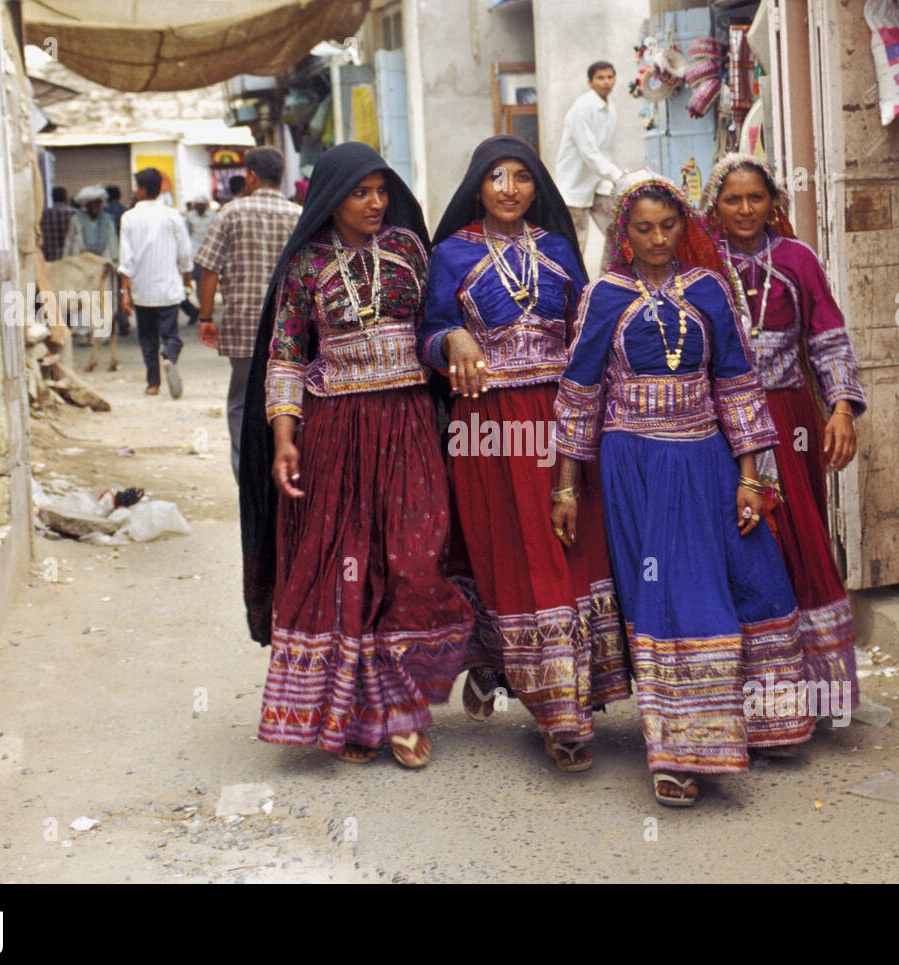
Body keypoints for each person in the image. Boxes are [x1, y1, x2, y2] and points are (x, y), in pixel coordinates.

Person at [552, 170, 814, 807]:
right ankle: (677, 752)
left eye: (669, 226)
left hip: (707, 457)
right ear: (624, 233)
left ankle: (758, 721)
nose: (659, 239)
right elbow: (579, 393)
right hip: (634, 465)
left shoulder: (710, 291)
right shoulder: (603, 296)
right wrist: (566, 487)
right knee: (669, 595)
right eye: (643, 229)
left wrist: (751, 476)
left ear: (685, 225)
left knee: (752, 572)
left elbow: (738, 385)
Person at [239, 142, 476, 768]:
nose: (374, 203)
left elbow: (433, 327)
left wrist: (451, 343)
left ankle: (400, 703)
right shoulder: (305, 268)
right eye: (359, 192)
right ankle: (363, 715)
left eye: (380, 190)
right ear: (330, 199)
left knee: (412, 559)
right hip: (334, 433)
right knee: (346, 567)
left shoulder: (408, 250)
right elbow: (286, 355)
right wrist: (285, 437)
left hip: (408, 424)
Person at [420, 135, 629, 771]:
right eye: (495, 177)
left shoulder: (562, 250)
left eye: (521, 178)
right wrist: (451, 337)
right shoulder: (450, 254)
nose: (508, 189)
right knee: (515, 553)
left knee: (568, 551)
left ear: (538, 187)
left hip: (562, 423)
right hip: (489, 429)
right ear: (477, 187)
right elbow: (423, 332)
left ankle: (564, 692)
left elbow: (591, 335)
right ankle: (556, 713)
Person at [700, 154, 864, 706]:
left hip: (789, 420)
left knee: (797, 537)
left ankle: (811, 692)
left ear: (774, 203)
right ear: (714, 209)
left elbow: (828, 339)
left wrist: (840, 409)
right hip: (719, 424)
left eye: (756, 198)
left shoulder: (798, 258)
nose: (745, 209)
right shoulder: (697, 262)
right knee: (737, 543)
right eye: (732, 199)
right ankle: (745, 694)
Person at [194, 146, 302, 481]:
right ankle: (287, 469)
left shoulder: (230, 213)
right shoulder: (298, 215)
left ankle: (247, 477)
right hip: (290, 331)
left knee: (242, 403)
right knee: (288, 401)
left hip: (243, 327)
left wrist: (206, 317)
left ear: (252, 176)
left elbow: (208, 269)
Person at [117, 167, 193, 398]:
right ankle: (169, 355)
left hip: (142, 290)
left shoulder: (129, 217)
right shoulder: (172, 216)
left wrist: (124, 292)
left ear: (140, 189)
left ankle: (153, 384)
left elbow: (125, 258)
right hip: (168, 289)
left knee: (147, 338)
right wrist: (187, 281)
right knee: (171, 335)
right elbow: (185, 252)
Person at [554, 61, 623, 273]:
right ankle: (570, 292)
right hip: (574, 186)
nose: (606, 82)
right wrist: (617, 175)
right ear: (590, 81)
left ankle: (608, 278)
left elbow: (604, 151)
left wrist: (615, 178)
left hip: (598, 183)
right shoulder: (582, 107)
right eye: (600, 78)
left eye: (610, 77)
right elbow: (589, 152)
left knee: (618, 230)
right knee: (576, 245)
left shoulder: (610, 108)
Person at [181, 195, 217, 326]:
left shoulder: (213, 216)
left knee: (208, 280)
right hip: (195, 253)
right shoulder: (190, 217)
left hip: (210, 252)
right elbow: (186, 235)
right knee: (198, 280)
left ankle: (207, 307)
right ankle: (203, 308)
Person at [63, 185, 119, 263]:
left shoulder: (108, 220)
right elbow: (69, 243)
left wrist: (115, 263)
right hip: (82, 264)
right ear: (86, 205)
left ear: (100, 204)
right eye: (91, 204)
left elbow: (113, 245)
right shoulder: (76, 220)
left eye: (96, 203)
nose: (94, 207)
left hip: (103, 264)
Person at [39, 185, 75, 261]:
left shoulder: (43, 214)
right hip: (69, 258)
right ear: (66, 198)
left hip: (50, 258)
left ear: (53, 198)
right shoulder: (73, 213)